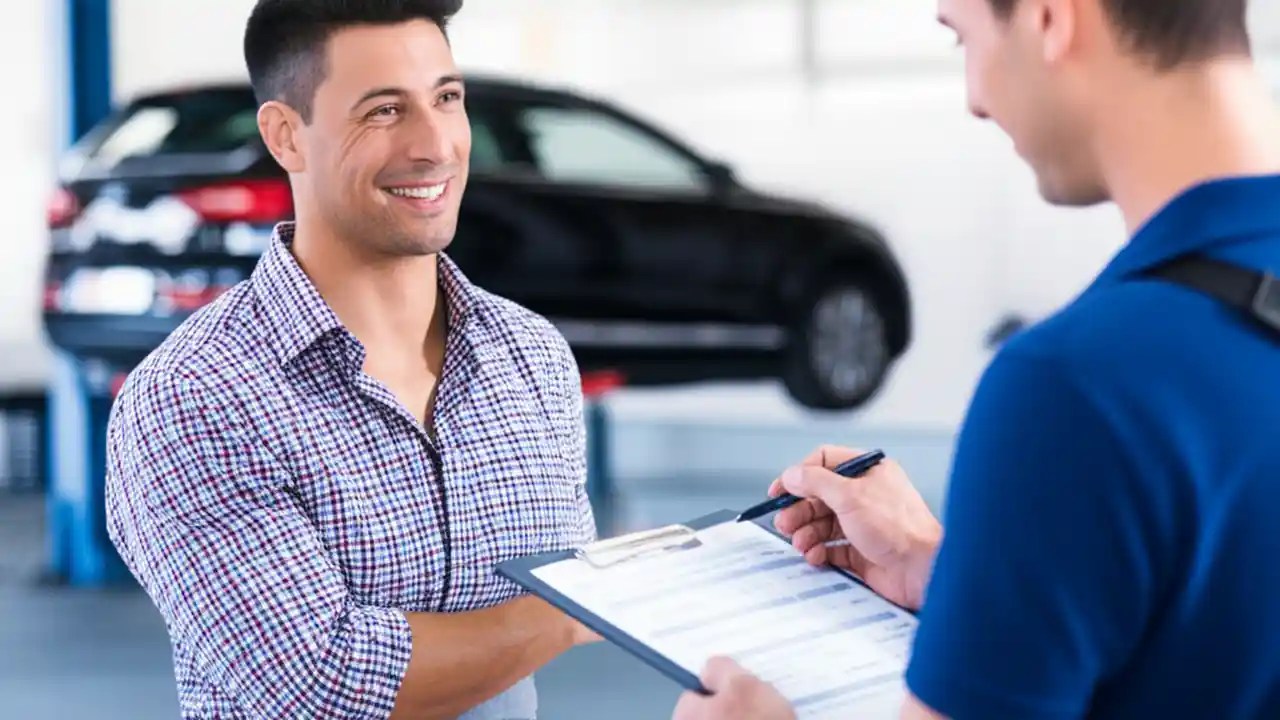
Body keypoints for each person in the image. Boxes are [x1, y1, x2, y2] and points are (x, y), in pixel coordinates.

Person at [674, 0, 1280, 717]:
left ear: (1052, 18)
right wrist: (961, 575)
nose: (975, 99)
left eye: (964, 37)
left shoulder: (1076, 386)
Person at [104, 2, 598, 718]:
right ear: (285, 135)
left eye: (447, 99)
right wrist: (580, 608)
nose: (436, 145)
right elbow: (322, 683)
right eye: (384, 112)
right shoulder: (194, 398)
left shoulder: (531, 358)